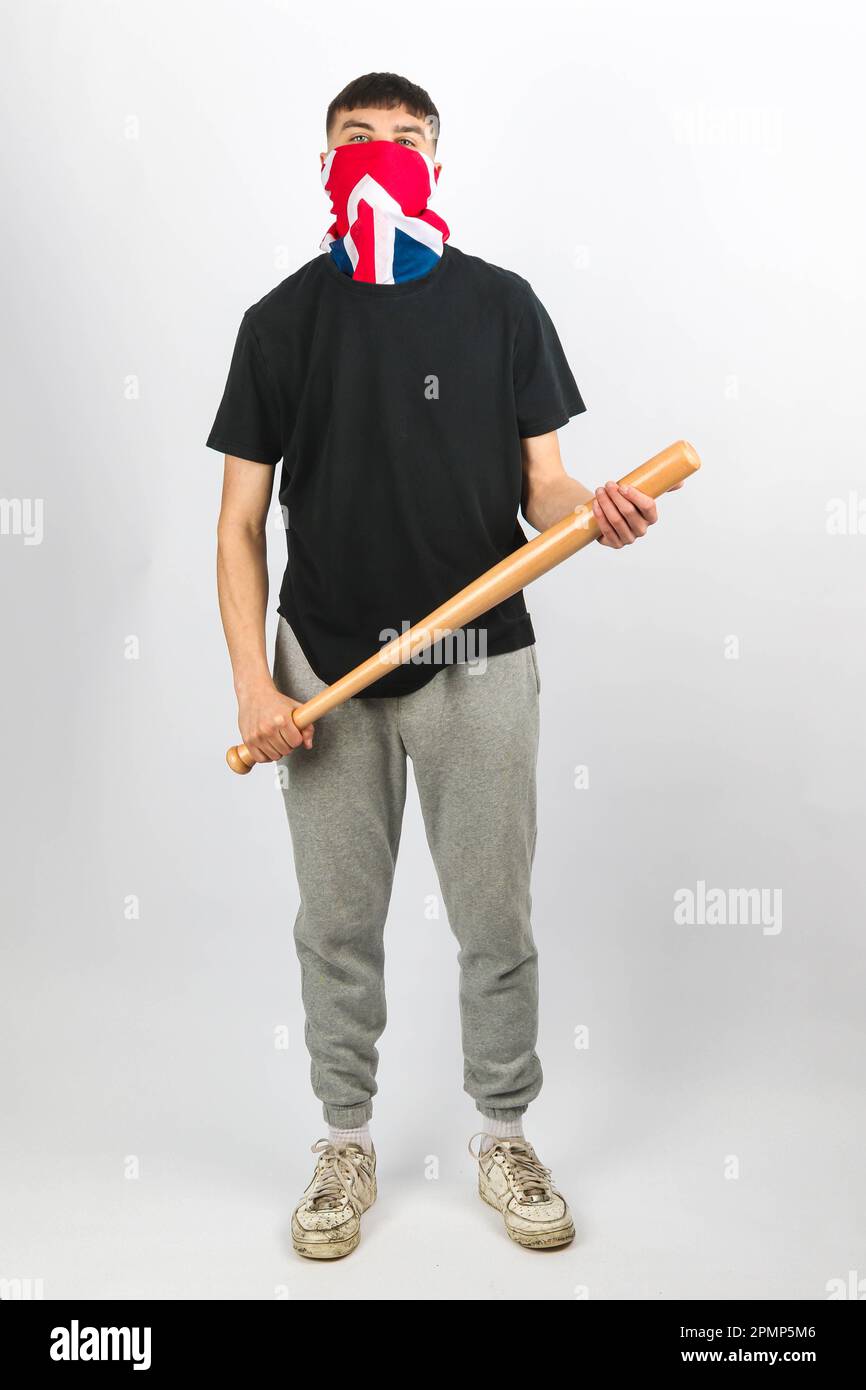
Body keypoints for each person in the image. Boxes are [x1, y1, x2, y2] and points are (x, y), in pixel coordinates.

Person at [208, 72, 679, 1259]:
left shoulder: (501, 307)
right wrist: (255, 686)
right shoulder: (279, 323)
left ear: (436, 163)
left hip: (480, 654)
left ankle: (504, 1129)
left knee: (492, 915)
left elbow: (545, 486)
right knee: (335, 920)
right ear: (323, 163)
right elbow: (236, 524)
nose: (379, 154)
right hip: (324, 665)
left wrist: (592, 510)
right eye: (355, 139)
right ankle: (345, 1141)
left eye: (405, 140)